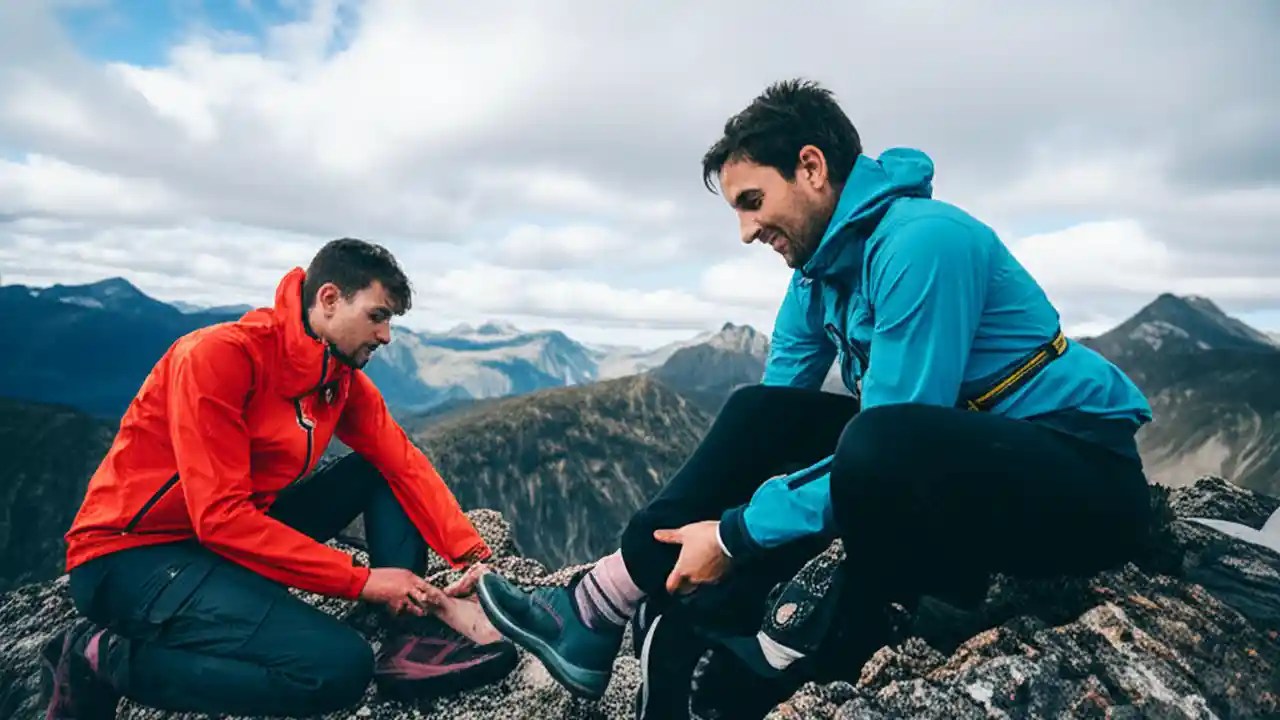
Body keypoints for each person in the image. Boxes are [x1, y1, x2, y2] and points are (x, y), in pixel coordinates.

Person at [475, 79, 1154, 718]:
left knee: (874, 440)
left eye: (752, 202)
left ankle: (616, 608)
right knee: (755, 411)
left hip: (1080, 479)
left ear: (810, 168)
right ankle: (604, 601)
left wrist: (736, 536)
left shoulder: (923, 243)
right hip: (959, 484)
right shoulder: (816, 272)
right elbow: (770, 422)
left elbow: (893, 445)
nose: (746, 232)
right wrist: (712, 534)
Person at [43, 238, 519, 720]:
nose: (386, 336)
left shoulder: (338, 379)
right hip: (131, 557)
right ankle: (100, 657)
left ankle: (406, 634)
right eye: (377, 316)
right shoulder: (218, 357)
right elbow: (221, 518)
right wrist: (362, 581)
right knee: (337, 669)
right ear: (329, 299)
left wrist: (474, 558)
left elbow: (403, 462)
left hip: (225, 540)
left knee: (377, 469)